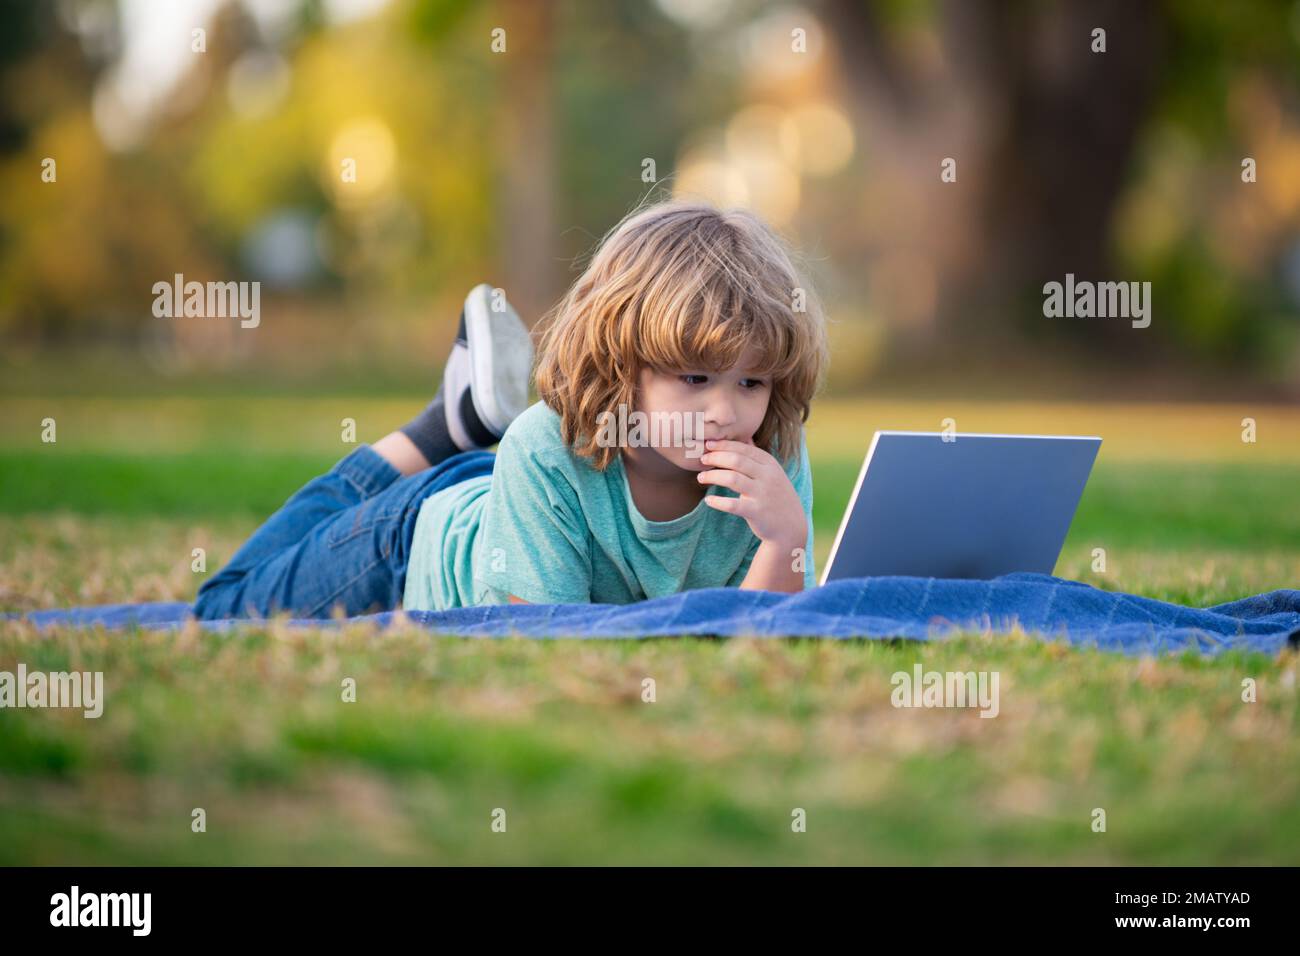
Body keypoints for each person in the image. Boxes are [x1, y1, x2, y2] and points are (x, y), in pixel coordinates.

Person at [194, 198, 828, 619]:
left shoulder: (772, 460)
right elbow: (543, 639)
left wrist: (784, 542)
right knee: (223, 613)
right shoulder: (544, 448)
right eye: (695, 377)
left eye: (753, 383)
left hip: (518, 501)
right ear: (618, 362)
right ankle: (439, 431)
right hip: (413, 540)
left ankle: (456, 423)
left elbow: (761, 638)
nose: (725, 411)